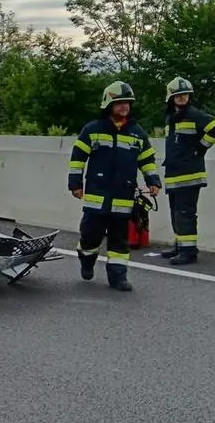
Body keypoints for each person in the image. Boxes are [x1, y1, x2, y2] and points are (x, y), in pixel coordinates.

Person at [68, 81, 162, 292]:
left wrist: (153, 181)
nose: (124, 107)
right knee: (90, 235)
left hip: (123, 196)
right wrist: (75, 184)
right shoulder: (92, 129)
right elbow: (77, 159)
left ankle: (118, 277)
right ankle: (87, 260)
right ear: (109, 104)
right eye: (119, 103)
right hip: (96, 196)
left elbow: (147, 160)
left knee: (120, 240)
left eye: (127, 103)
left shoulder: (137, 133)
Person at [159, 77, 215, 265]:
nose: (181, 98)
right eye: (178, 95)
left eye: (184, 95)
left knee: (185, 213)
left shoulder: (194, 114)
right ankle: (180, 245)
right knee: (175, 212)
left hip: (189, 175)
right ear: (171, 98)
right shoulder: (171, 119)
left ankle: (188, 251)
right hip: (174, 174)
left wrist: (201, 148)